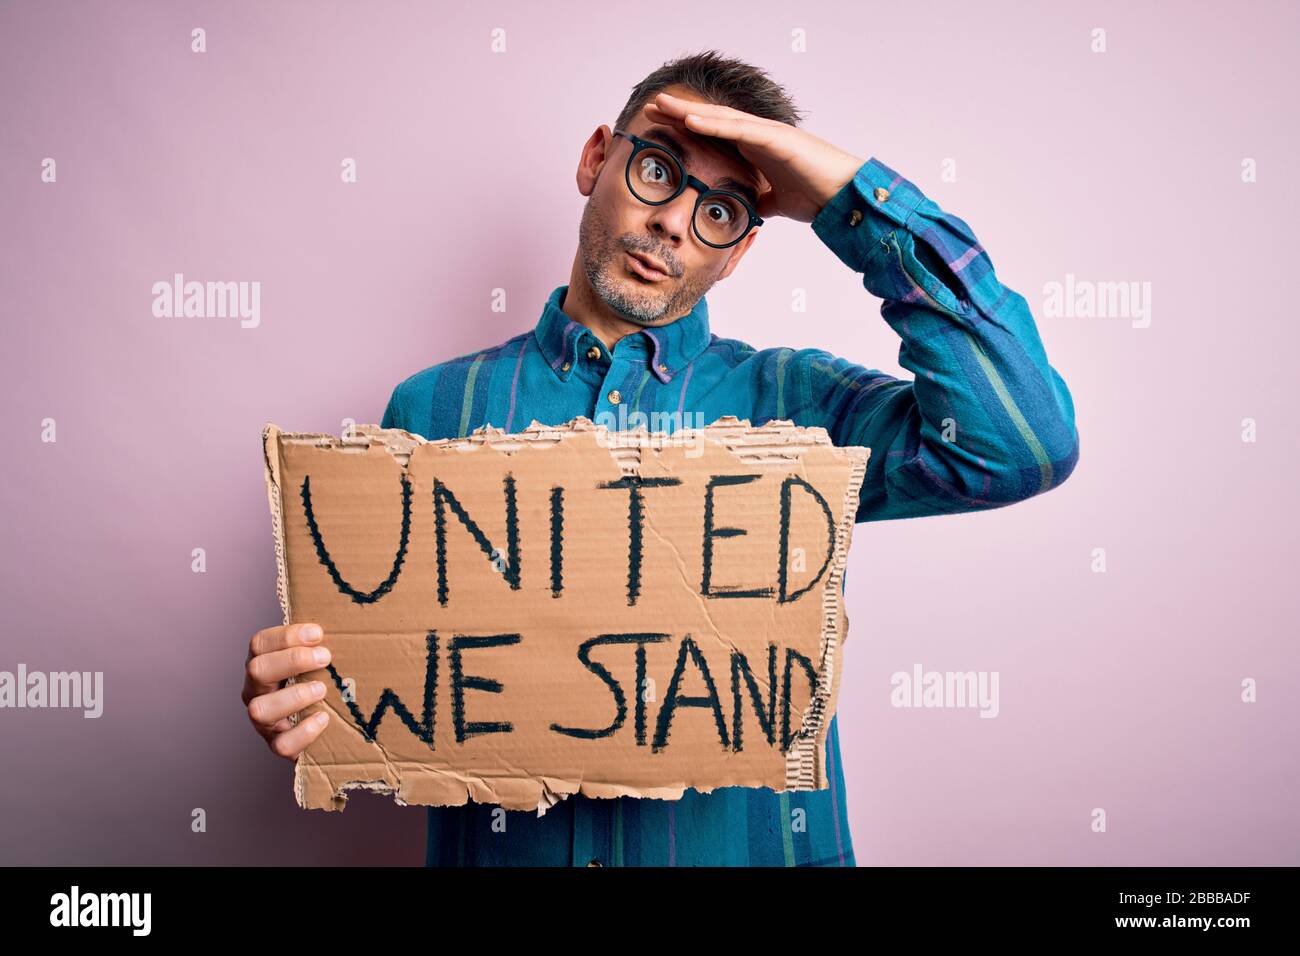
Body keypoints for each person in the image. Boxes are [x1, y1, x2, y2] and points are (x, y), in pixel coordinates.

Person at [242, 50, 1079, 866]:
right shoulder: (428, 411)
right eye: (657, 170)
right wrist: (308, 698)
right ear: (596, 158)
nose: (675, 220)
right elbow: (384, 682)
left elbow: (1023, 445)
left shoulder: (800, 405)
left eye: (720, 211)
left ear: (741, 249)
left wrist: (849, 201)